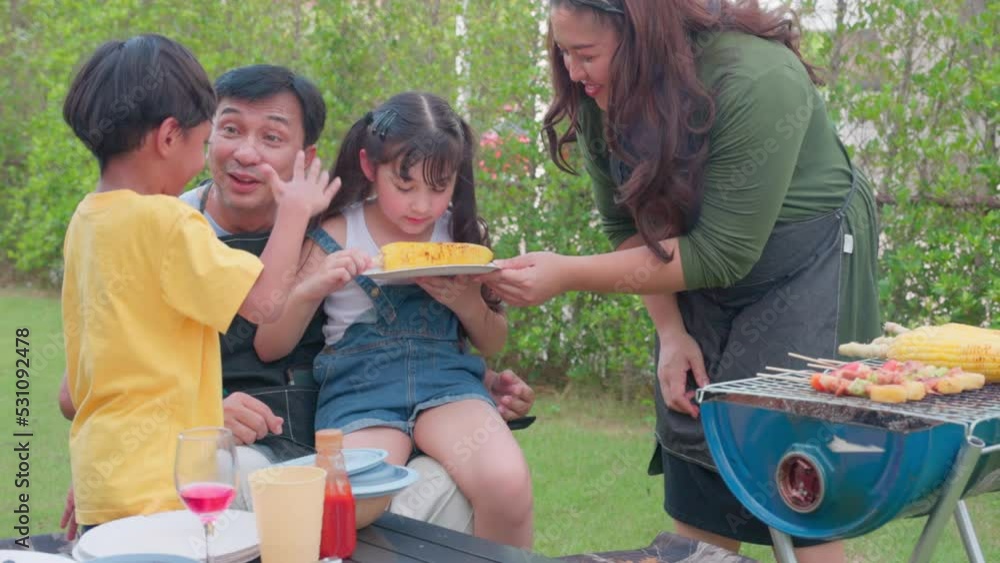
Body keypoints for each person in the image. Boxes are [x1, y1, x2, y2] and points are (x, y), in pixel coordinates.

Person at [59, 64, 537, 539]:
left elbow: (436, 338)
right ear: (197, 138)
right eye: (229, 129)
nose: (246, 152)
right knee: (248, 487)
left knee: (467, 487)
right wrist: (193, 421)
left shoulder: (327, 229)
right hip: (228, 446)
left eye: (271, 137)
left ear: (304, 158)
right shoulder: (167, 224)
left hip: (327, 430)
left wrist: (478, 376)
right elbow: (86, 383)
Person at [480, 2, 881, 562]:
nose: (571, 72)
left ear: (642, 35)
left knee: (793, 466)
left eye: (585, 54)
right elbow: (628, 226)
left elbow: (722, 252)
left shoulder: (757, 79)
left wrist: (568, 273)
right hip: (694, 260)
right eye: (562, 52)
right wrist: (670, 332)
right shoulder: (601, 94)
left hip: (803, 257)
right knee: (697, 435)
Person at [57, 36, 334, 532]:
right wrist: (294, 209)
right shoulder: (169, 222)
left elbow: (79, 380)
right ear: (169, 137)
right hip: (164, 482)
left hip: (105, 478)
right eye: (207, 138)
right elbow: (265, 302)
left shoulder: (87, 221)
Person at [254, 92, 533, 548]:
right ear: (369, 166)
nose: (421, 205)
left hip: (447, 383)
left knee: (506, 480)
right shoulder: (335, 233)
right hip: (360, 388)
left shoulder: (463, 233)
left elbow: (493, 340)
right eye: (404, 187)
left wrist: (467, 302)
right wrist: (310, 289)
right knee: (353, 497)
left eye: (438, 187)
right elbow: (270, 345)